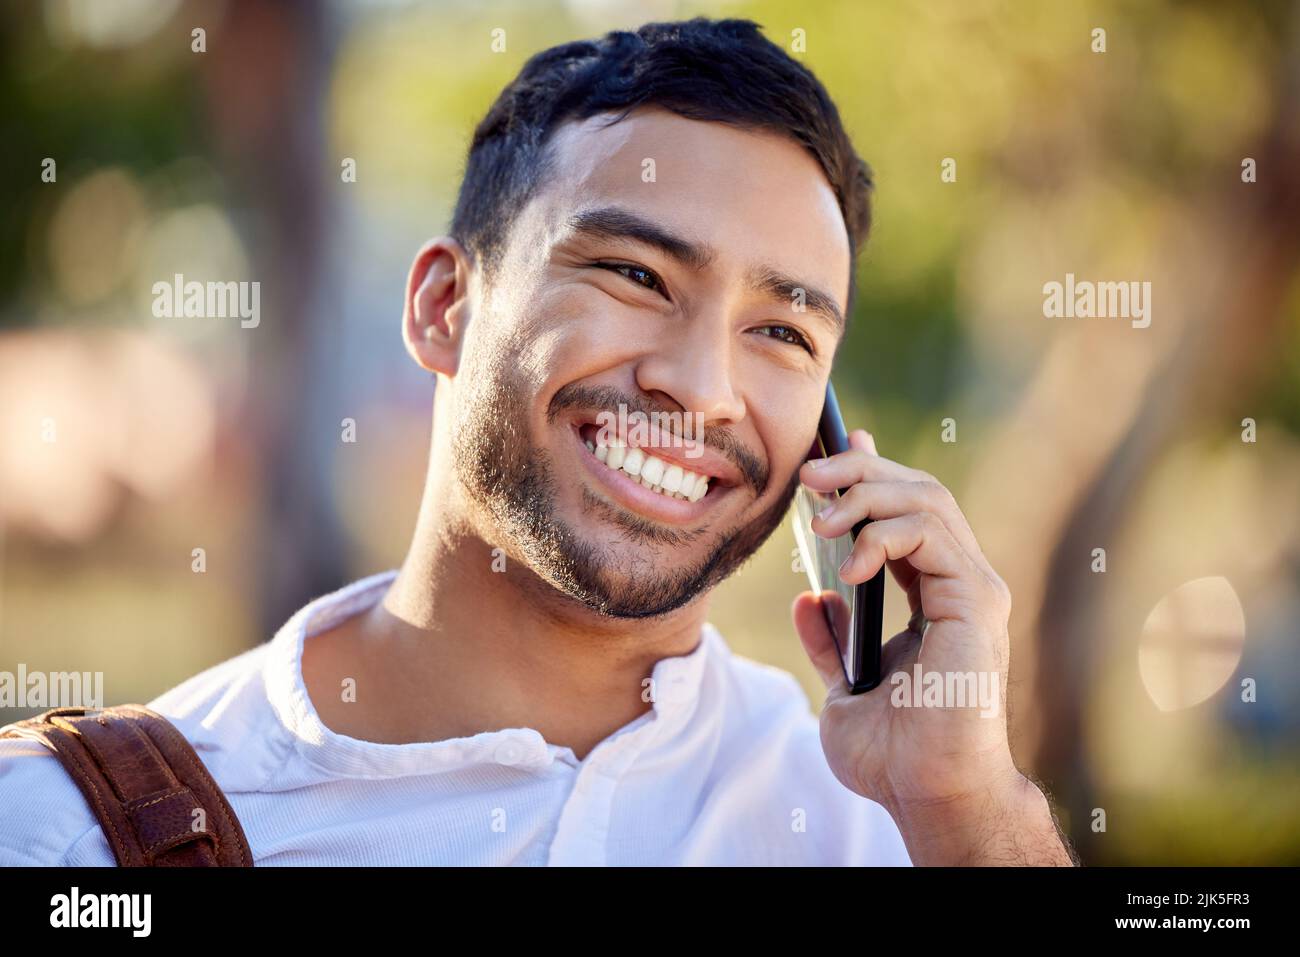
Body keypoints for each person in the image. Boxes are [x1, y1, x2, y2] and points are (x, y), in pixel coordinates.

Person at [0, 17, 1075, 866]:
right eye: (636, 276)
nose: (700, 389)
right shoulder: (73, 833)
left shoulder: (892, 822)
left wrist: (966, 808)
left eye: (782, 333)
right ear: (443, 307)